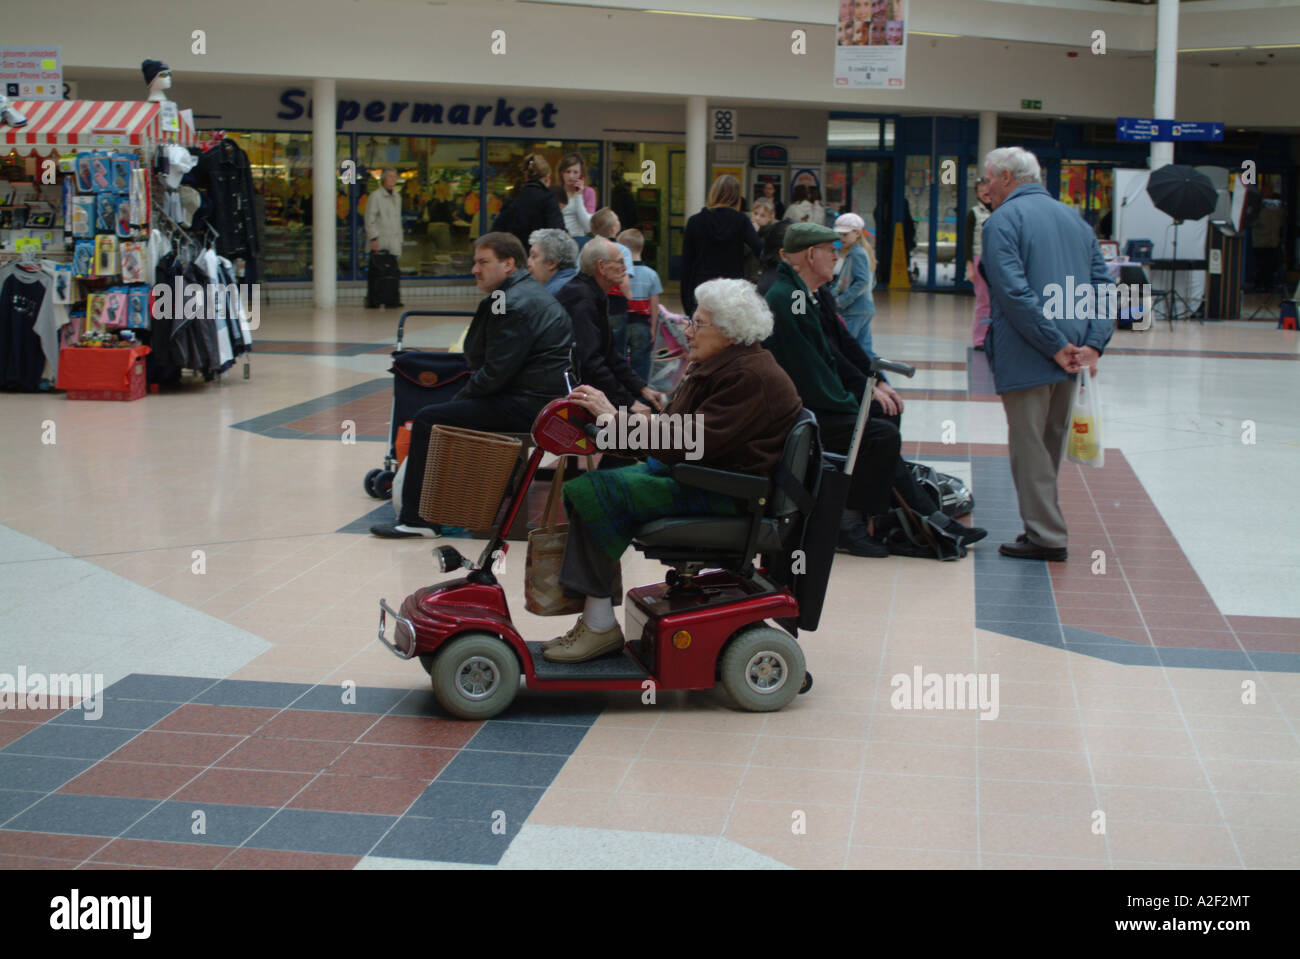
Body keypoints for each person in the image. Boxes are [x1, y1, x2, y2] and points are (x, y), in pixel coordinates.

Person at [543, 278, 802, 663]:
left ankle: (599, 627)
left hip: (727, 492)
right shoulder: (724, 364)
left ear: (730, 331)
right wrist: (623, 422)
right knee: (591, 487)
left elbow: (690, 440)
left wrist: (615, 420)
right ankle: (595, 619)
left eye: (698, 323)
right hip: (707, 476)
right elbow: (681, 431)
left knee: (594, 490)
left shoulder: (749, 376)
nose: (688, 329)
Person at [763, 223, 986, 558]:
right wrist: (854, 403)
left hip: (810, 403)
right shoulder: (788, 297)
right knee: (878, 435)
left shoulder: (803, 293)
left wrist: (872, 382)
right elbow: (810, 370)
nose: (837, 258)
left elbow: (834, 351)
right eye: (831, 251)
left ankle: (892, 517)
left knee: (881, 423)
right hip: (796, 412)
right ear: (810, 254)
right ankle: (853, 524)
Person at [371, 232, 572, 538]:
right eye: (474, 262)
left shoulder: (511, 304)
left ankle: (417, 521)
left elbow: (494, 373)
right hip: (538, 398)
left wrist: (457, 402)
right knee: (445, 411)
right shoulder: (521, 293)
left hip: (529, 405)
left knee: (429, 418)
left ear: (508, 264)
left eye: (483, 262)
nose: (475, 269)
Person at [979, 146, 1113, 562]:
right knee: (1050, 441)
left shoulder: (1003, 221)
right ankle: (1043, 525)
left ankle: (1047, 535)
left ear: (1005, 176)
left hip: (1030, 352)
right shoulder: (1075, 219)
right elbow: (1104, 286)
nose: (984, 189)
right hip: (1073, 353)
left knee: (1029, 446)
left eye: (986, 180)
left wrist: (1054, 346)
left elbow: (1013, 292)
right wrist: (1092, 343)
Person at [556, 236, 664, 419]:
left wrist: (642, 388)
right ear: (601, 267)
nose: (625, 268)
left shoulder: (593, 293)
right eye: (621, 262)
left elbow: (611, 354)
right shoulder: (581, 298)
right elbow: (591, 361)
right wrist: (629, 403)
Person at [680, 174, 763, 316]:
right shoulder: (741, 221)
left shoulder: (695, 221)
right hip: (732, 288)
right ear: (736, 196)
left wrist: (686, 302)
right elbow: (760, 251)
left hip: (701, 287)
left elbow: (687, 263)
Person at [491, 153, 564, 252]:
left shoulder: (513, 199)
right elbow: (557, 233)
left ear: (526, 177)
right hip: (540, 258)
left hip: (515, 257)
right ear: (547, 179)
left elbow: (496, 232)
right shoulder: (549, 199)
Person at [589, 208, 636, 360]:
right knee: (616, 351)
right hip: (616, 307)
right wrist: (629, 295)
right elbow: (623, 277)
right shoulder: (622, 250)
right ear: (614, 229)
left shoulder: (588, 249)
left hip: (592, 303)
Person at [617, 227, 663, 382]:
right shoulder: (652, 274)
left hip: (622, 322)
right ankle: (642, 396)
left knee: (620, 361)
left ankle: (623, 400)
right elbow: (654, 306)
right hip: (642, 324)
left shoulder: (620, 274)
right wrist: (653, 327)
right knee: (641, 362)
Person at [833, 213, 877, 358]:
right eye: (840, 234)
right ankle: (879, 379)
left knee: (845, 349)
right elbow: (871, 281)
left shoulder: (856, 254)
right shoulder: (862, 252)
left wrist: (841, 300)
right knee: (865, 351)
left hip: (854, 310)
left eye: (845, 234)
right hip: (864, 308)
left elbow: (862, 281)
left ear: (857, 233)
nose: (841, 238)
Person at [364, 168, 404, 308]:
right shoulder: (375, 196)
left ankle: (392, 299)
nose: (393, 179)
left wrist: (400, 239)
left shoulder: (397, 197)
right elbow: (370, 218)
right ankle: (374, 300)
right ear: (384, 179)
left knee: (393, 272)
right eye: (390, 177)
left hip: (393, 240)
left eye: (395, 176)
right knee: (377, 272)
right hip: (380, 240)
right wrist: (373, 238)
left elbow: (397, 219)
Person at [965, 178, 994, 349]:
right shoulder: (974, 213)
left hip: (997, 260)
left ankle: (995, 336)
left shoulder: (1001, 209)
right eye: (981, 190)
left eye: (987, 188)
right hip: (979, 258)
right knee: (983, 300)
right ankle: (980, 339)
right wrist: (970, 266)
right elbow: (967, 242)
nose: (985, 193)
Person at [527, 228, 580, 296]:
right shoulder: (576, 282)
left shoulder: (552, 295)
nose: (528, 263)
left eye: (534, 256)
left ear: (551, 263)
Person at [557, 152, 597, 240]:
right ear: (561, 173)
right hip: (557, 241)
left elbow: (588, 227)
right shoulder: (555, 192)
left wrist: (578, 196)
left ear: (581, 175)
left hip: (578, 241)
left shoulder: (588, 192)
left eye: (575, 172)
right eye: (568, 171)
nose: (571, 176)